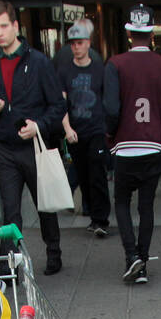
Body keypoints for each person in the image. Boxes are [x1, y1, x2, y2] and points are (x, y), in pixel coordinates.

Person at [0, 1, 67, 275]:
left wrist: (38, 126)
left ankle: (54, 253)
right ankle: (8, 267)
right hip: (5, 146)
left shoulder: (39, 61)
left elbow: (58, 106)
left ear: (16, 26)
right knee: (10, 212)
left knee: (44, 204)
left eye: (4, 26)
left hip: (33, 145)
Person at [104, 4, 161, 285]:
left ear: (128, 33)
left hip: (125, 146)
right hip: (153, 145)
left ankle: (131, 256)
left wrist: (111, 135)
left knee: (122, 202)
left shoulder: (115, 64)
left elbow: (111, 110)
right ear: (151, 33)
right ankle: (143, 262)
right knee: (146, 206)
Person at [57, 20, 111, 237]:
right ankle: (93, 215)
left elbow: (106, 99)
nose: (76, 47)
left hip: (96, 129)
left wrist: (108, 128)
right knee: (83, 175)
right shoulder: (64, 71)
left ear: (88, 43)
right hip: (75, 132)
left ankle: (101, 220)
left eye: (79, 43)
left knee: (98, 175)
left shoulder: (100, 69)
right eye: (72, 43)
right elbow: (61, 103)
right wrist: (67, 129)